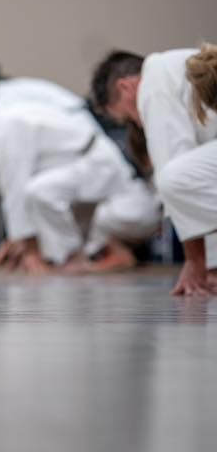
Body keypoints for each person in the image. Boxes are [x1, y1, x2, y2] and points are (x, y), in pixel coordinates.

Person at [0, 70, 157, 273]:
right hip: (89, 161)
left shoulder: (5, 122)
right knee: (48, 201)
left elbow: (13, 185)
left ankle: (72, 257)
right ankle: (84, 256)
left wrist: (26, 244)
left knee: (40, 192)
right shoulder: (16, 105)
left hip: (98, 168)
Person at [91, 44, 217, 296]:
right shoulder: (176, 66)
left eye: (128, 119)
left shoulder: (154, 80)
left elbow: (175, 174)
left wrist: (197, 264)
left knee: (173, 177)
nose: (137, 124)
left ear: (125, 87)